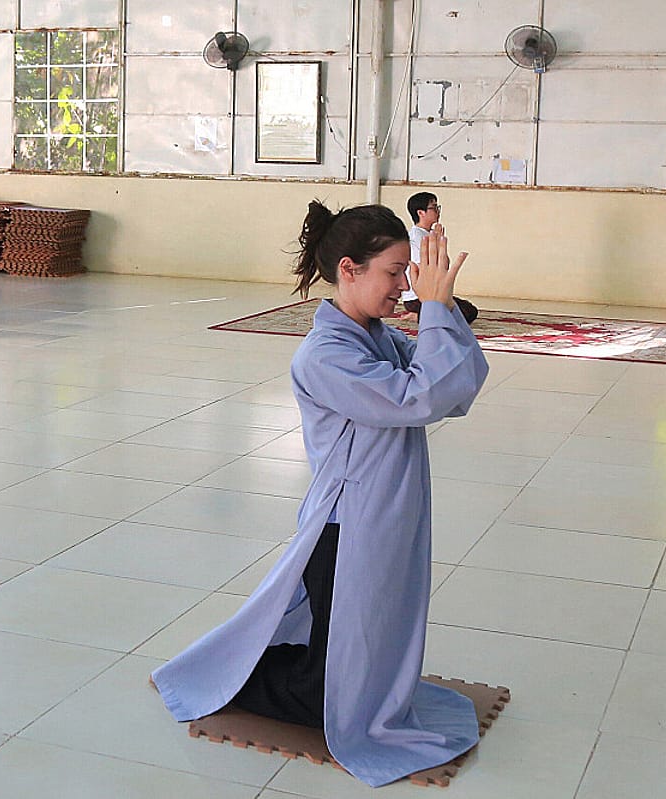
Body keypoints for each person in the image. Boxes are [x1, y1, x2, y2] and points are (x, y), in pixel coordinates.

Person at [150, 201, 489, 788]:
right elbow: (420, 399)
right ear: (350, 270)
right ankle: (223, 676)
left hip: (387, 509)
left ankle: (284, 671)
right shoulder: (327, 354)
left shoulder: (377, 338)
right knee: (333, 683)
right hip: (351, 523)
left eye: (411, 272)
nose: (405, 285)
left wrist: (444, 311)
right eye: (395, 271)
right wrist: (432, 311)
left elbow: (458, 385)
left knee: (376, 632)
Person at [405, 192, 478, 324]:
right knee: (461, 314)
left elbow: (444, 265)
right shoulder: (416, 237)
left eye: (438, 207)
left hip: (435, 293)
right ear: (421, 213)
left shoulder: (429, 234)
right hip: (418, 296)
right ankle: (420, 316)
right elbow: (423, 267)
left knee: (469, 311)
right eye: (434, 208)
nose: (438, 211)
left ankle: (424, 314)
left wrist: (439, 242)